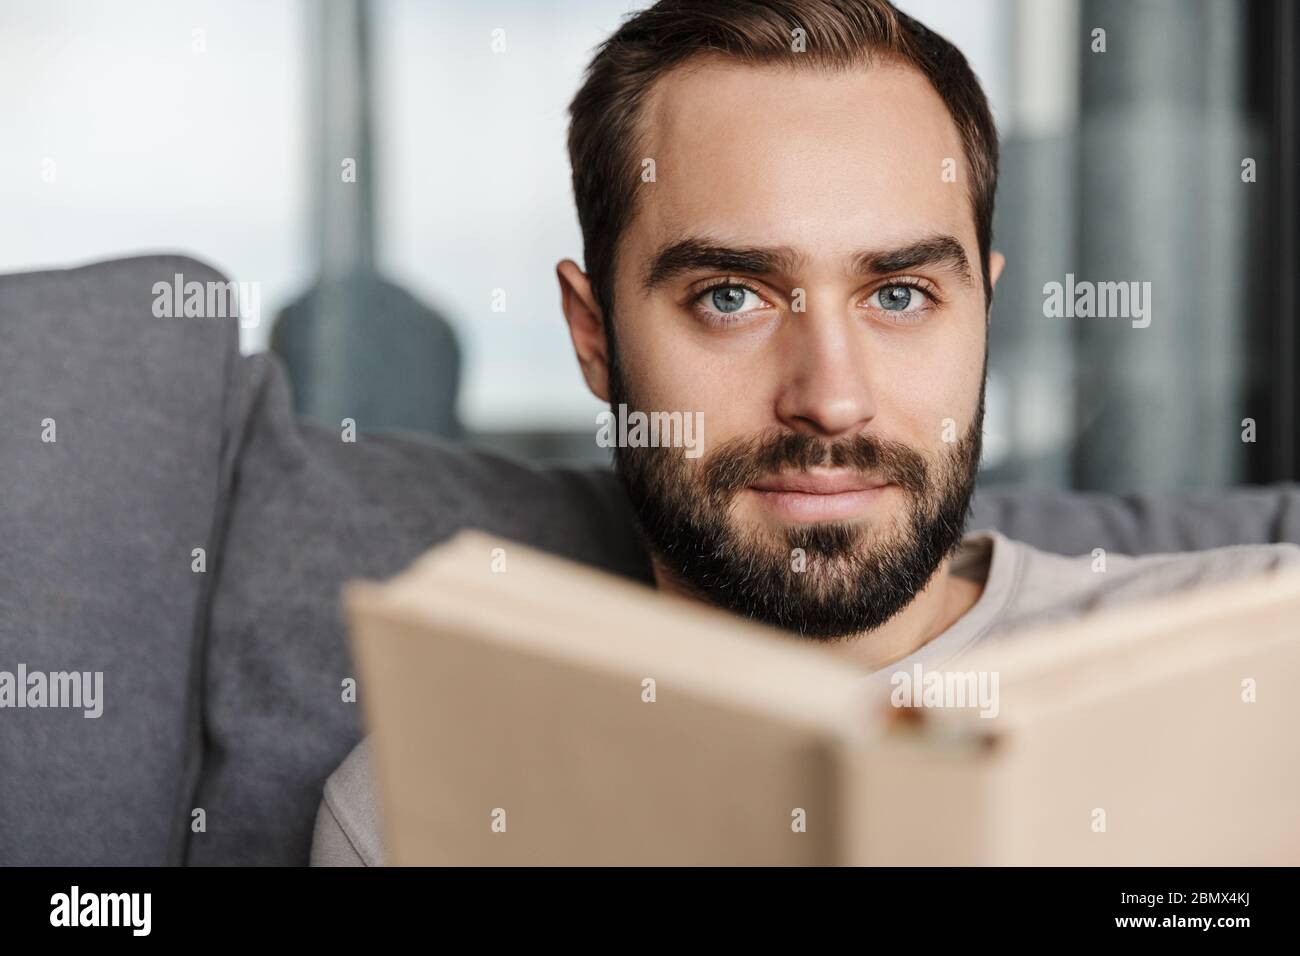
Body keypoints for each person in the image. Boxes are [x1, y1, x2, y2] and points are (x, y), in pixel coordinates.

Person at [310, 0, 1299, 865]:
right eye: (731, 295)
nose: (830, 398)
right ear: (592, 336)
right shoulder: (422, 800)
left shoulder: (1265, 653)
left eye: (901, 293)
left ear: (982, 319)